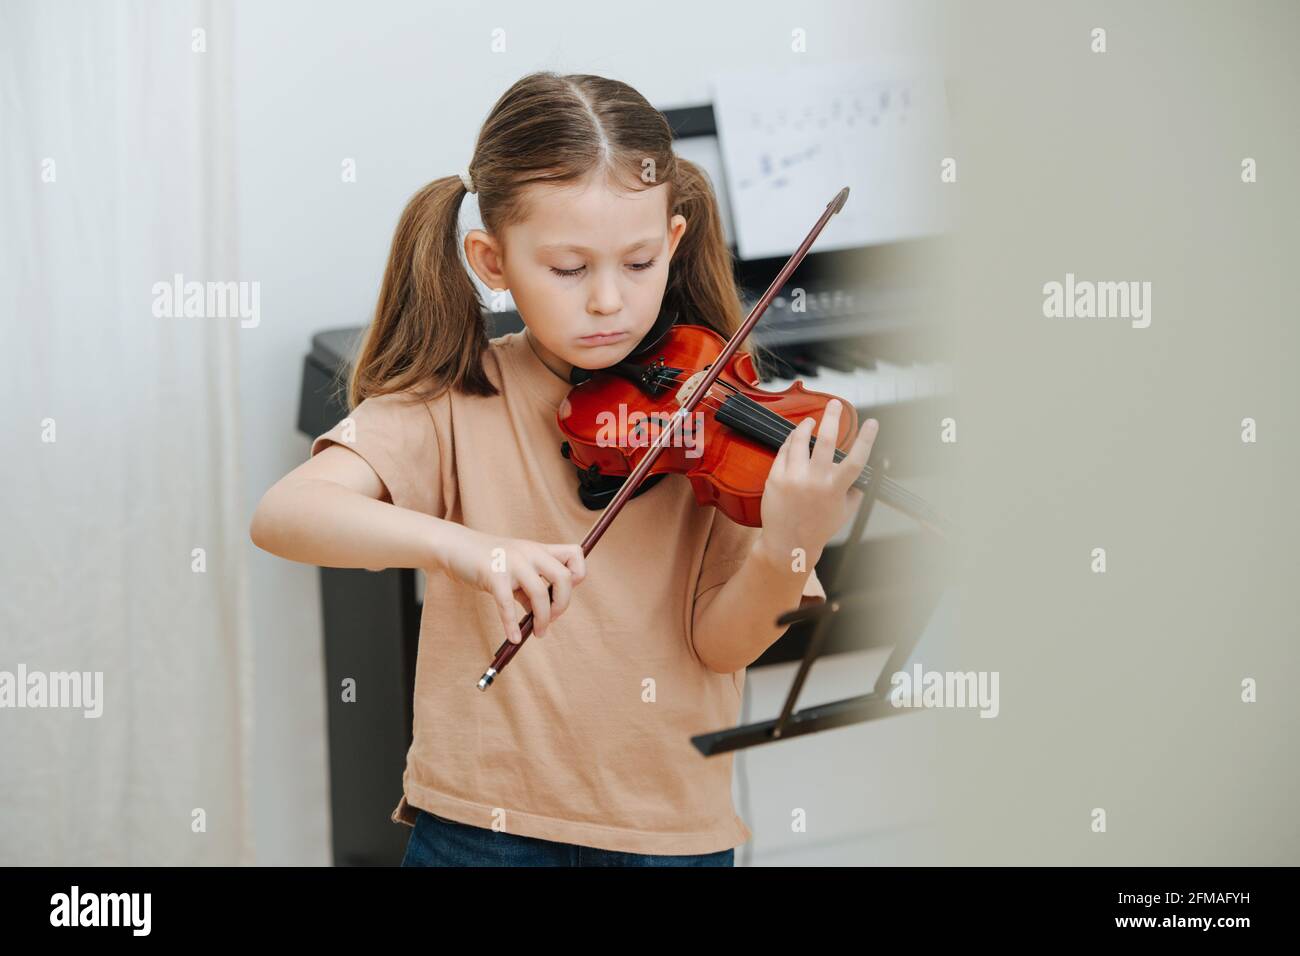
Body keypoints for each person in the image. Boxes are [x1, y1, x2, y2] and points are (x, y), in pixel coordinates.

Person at [249, 71, 876, 867]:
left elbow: (723, 645)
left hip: (669, 838)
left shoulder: (713, 406)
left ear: (674, 243)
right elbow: (286, 515)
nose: (610, 301)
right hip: (481, 830)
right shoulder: (458, 394)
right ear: (492, 259)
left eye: (640, 263)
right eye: (570, 270)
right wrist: (470, 549)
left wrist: (792, 543)